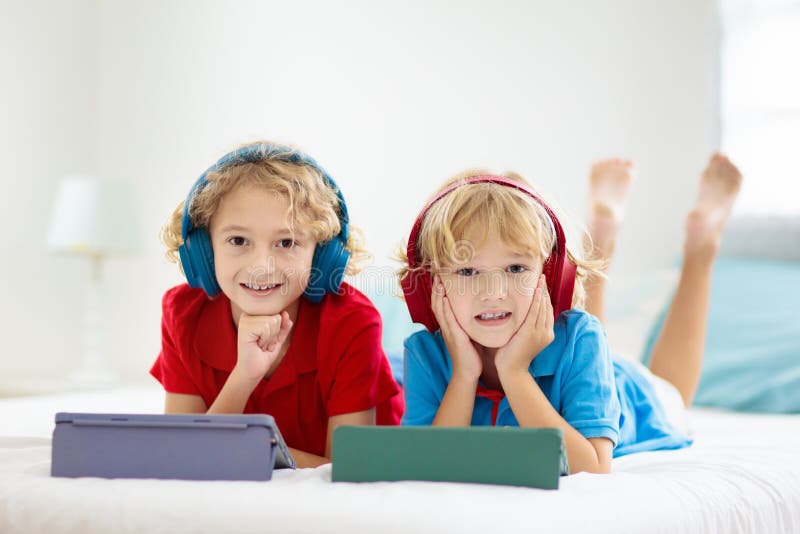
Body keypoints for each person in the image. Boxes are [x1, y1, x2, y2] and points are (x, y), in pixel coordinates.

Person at [397, 154, 742, 474]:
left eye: (516, 267)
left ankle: (701, 248)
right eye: (468, 272)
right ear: (431, 285)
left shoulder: (582, 337)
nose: (493, 293)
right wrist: (464, 375)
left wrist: (515, 373)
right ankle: (602, 236)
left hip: (627, 389)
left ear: (552, 277)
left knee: (673, 390)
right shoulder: (424, 353)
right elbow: (430, 466)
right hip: (575, 359)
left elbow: (592, 467)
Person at [152, 141, 403, 468]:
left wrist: (238, 445)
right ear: (203, 249)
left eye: (286, 242)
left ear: (323, 255)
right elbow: (182, 457)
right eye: (238, 241)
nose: (262, 265)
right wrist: (244, 375)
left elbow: (348, 466)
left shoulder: (352, 321)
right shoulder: (183, 314)